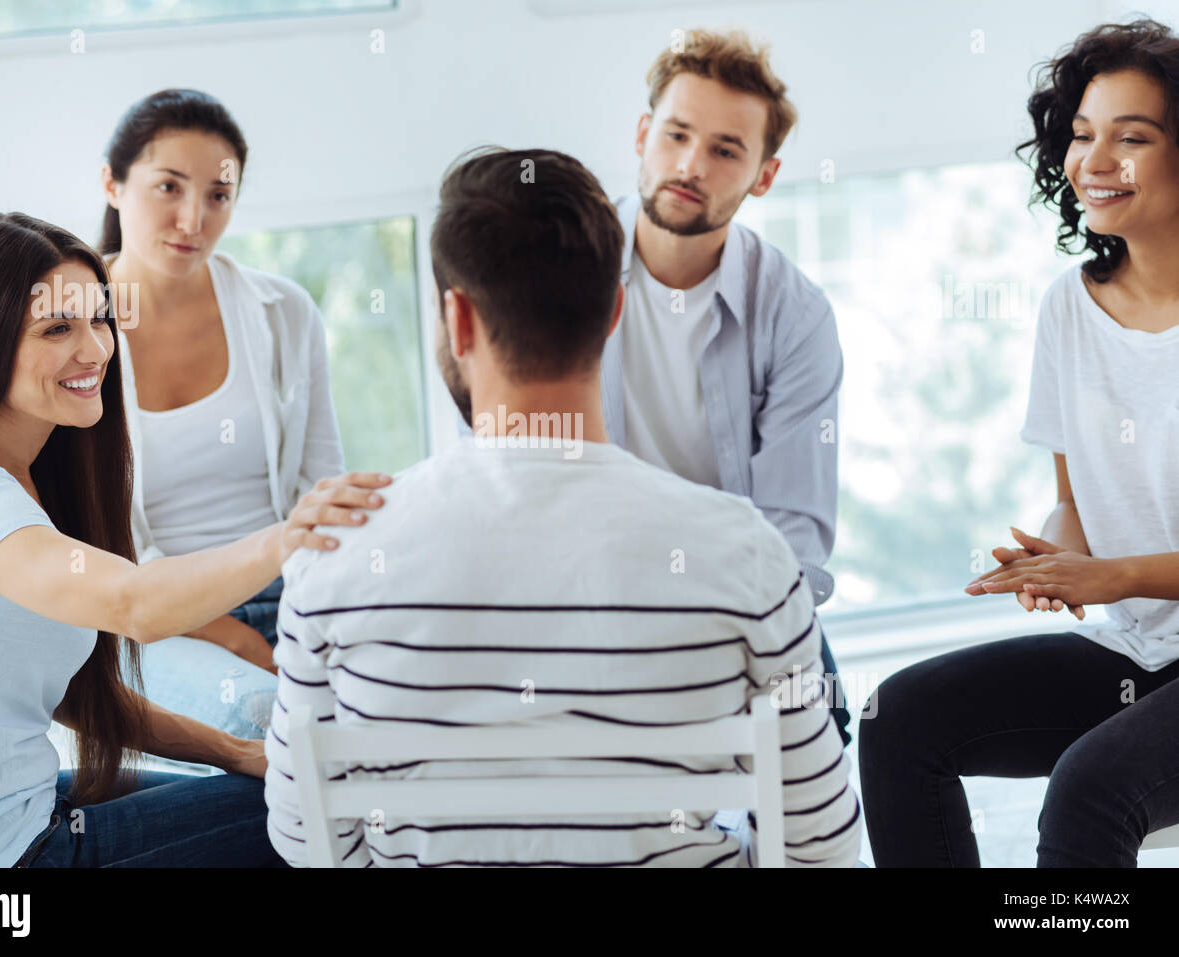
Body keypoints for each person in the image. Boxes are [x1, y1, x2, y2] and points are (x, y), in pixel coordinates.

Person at [263, 147, 860, 868]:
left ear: (457, 320)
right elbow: (819, 845)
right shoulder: (748, 554)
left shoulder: (334, 556)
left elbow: (305, 839)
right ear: (614, 311)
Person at [0, 212, 386, 867]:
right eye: (58, 328)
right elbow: (136, 603)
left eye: (99, 318)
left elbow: (72, 696)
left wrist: (237, 753)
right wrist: (287, 537)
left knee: (276, 785)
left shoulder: (13, 473)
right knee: (305, 814)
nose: (95, 349)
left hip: (25, 811)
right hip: (3, 860)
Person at [859, 18, 1179, 867]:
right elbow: (1076, 503)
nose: (1095, 160)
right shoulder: (1068, 308)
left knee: (1089, 787)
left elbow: (1117, 561)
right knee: (899, 719)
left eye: (1132, 137)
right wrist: (1052, 560)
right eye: (1081, 135)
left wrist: (1110, 575)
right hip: (1145, 652)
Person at [607, 29, 851, 744]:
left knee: (825, 721)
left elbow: (795, 537)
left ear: (763, 176)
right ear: (644, 133)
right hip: (597, 590)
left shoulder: (796, 315)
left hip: (735, 598)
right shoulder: (561, 269)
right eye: (677, 134)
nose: (690, 165)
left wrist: (716, 647)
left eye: (725, 150)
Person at [99, 89, 345, 743]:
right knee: (268, 715)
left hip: (293, 589)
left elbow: (322, 489)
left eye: (218, 194)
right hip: (162, 620)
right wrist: (230, 635)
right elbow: (94, 547)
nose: (193, 219)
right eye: (169, 187)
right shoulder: (68, 326)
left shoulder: (284, 312)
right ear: (112, 183)